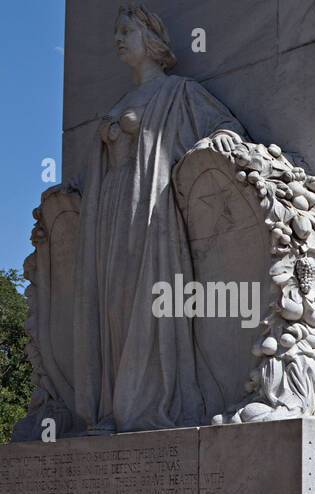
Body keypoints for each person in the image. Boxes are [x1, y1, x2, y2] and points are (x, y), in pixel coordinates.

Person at [72, 4, 245, 434]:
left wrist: (221, 146)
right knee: (112, 306)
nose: (117, 38)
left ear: (150, 40)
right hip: (111, 214)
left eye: (126, 30)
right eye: (115, 31)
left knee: (146, 300)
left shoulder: (178, 92)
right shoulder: (119, 102)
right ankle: (113, 407)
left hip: (151, 212)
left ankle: (145, 403)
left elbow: (225, 127)